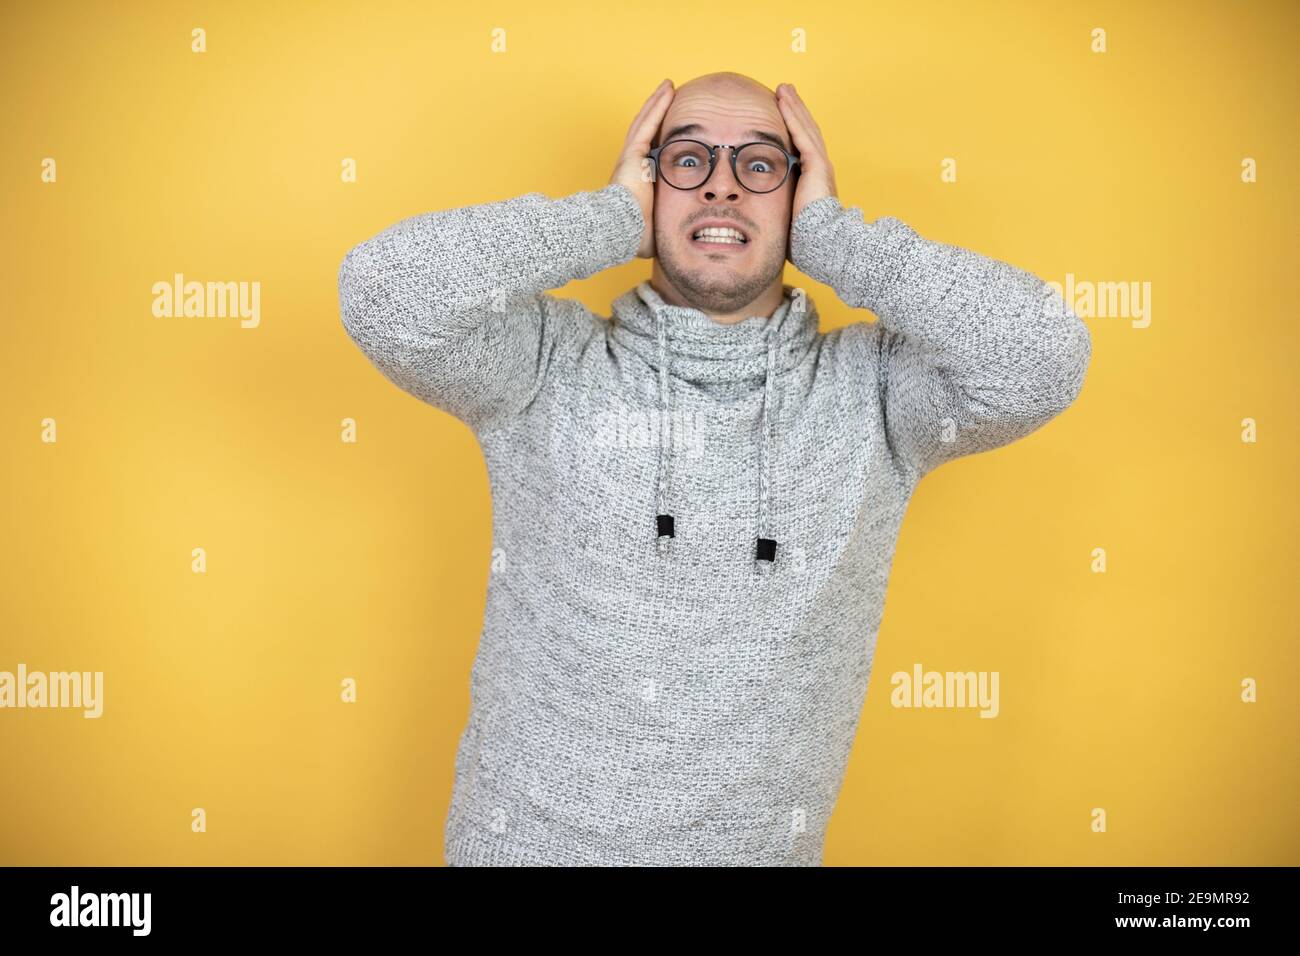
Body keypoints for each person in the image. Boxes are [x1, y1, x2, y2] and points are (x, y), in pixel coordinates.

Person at [337, 72, 1092, 866]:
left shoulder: (876, 397)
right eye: (688, 160)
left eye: (761, 165)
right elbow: (386, 292)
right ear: (648, 182)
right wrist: (610, 217)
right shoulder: (538, 365)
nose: (723, 188)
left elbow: (1040, 355)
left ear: (799, 197)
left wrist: (838, 237)